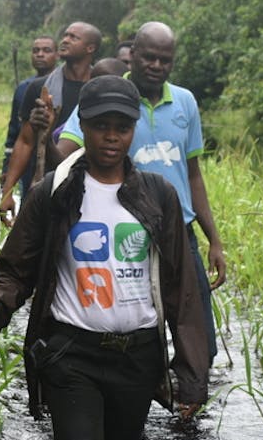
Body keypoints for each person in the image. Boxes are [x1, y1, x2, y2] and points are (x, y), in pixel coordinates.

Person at [0, 75, 209, 440]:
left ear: (133, 129)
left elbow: (181, 291)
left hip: (138, 357)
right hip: (71, 353)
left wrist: (191, 374)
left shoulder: (158, 195)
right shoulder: (52, 193)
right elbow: (16, 270)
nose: (111, 137)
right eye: (100, 126)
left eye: (122, 127)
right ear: (84, 127)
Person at [54, 22, 226, 362]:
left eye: (166, 60)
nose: (157, 66)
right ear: (132, 55)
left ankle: (190, 402)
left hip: (179, 232)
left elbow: (193, 176)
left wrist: (214, 241)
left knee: (198, 333)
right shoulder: (108, 96)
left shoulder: (185, 103)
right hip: (126, 234)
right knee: (133, 331)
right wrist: (45, 135)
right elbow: (66, 154)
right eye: (149, 57)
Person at [0, 21, 101, 224]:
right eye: (65, 35)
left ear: (90, 48)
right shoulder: (40, 88)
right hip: (46, 183)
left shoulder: (100, 87)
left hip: (92, 186)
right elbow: (25, 141)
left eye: (74, 37)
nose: (65, 40)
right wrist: (8, 191)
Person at [0, 36, 58, 192]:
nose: (40, 54)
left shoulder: (62, 85)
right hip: (26, 163)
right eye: (35, 50)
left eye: (46, 50)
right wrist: (7, 169)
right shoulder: (23, 88)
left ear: (57, 55)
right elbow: (14, 132)